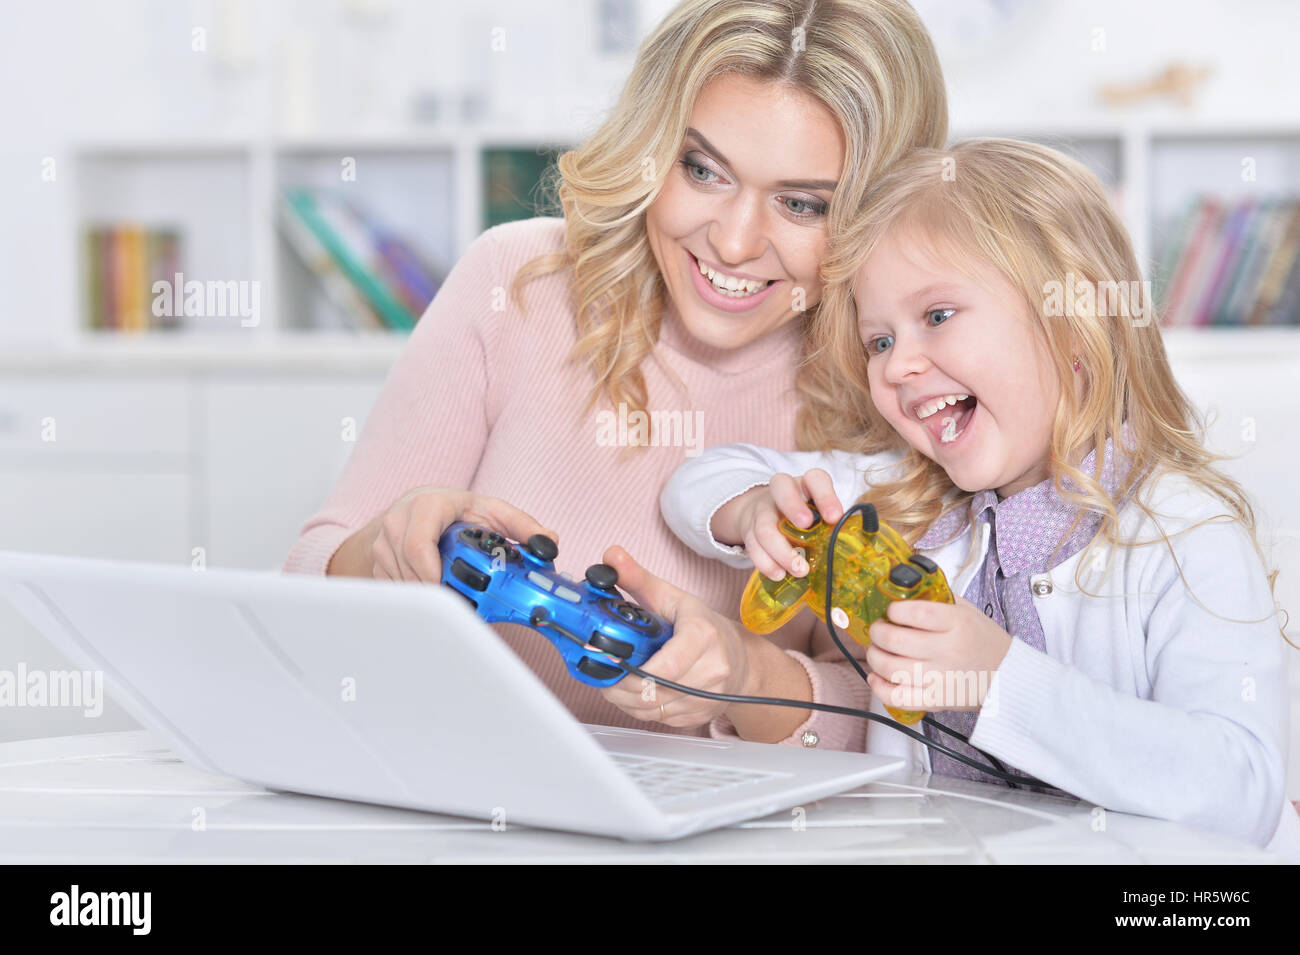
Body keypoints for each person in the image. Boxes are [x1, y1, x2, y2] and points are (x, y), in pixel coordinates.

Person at [282, 0, 949, 744]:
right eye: (702, 169)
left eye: (800, 204)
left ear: (875, 215)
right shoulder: (519, 283)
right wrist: (383, 548)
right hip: (452, 788)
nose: (732, 242)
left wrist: (746, 673)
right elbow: (307, 579)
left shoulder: (895, 382)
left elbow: (889, 723)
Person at [660, 138, 1298, 851]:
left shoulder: (1182, 532)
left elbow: (1239, 791)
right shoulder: (909, 498)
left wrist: (999, 678)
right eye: (877, 340)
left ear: (1073, 321)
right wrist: (752, 510)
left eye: (936, 316)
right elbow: (698, 480)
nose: (899, 364)